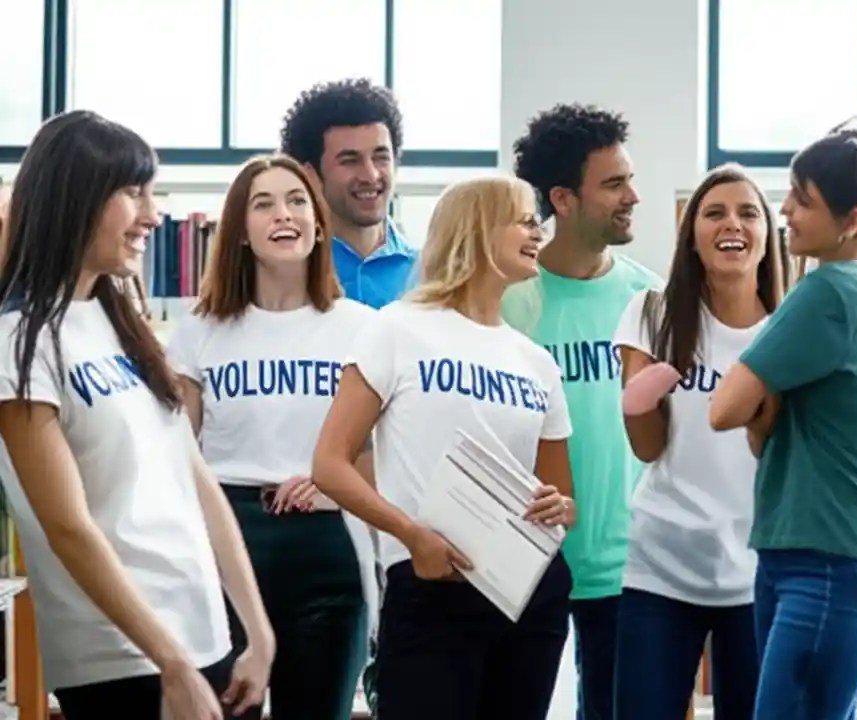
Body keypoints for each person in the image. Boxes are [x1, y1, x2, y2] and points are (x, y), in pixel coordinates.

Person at [0, 110, 275, 719]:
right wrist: (169, 661)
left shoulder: (119, 319)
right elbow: (67, 525)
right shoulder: (17, 343)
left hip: (206, 636)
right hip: (122, 657)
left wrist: (257, 631)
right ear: (76, 198)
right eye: (132, 193)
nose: (151, 214)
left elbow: (196, 483)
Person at [311, 175, 576, 720]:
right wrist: (411, 535)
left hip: (527, 591)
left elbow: (562, 498)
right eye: (525, 219)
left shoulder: (537, 363)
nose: (538, 232)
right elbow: (330, 466)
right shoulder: (398, 330)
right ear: (478, 229)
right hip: (430, 583)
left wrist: (561, 509)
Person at [165, 154, 378, 720]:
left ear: (318, 223)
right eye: (264, 204)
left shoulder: (361, 328)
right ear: (239, 230)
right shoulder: (198, 331)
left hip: (327, 550)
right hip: (229, 545)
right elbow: (175, 460)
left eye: (297, 201)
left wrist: (336, 486)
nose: (284, 215)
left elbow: (388, 455)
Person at [709, 127, 857, 719]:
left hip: (824, 568)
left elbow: (725, 408)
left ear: (851, 219)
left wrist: (761, 398)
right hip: (819, 562)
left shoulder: (828, 289)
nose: (785, 211)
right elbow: (756, 428)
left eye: (802, 199)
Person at [504, 102, 662, 720]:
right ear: (563, 200)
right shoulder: (511, 298)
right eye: (615, 183)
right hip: (521, 558)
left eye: (630, 179)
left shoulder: (648, 297)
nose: (633, 196)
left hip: (630, 566)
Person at [613, 164, 788, 719]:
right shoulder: (653, 312)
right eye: (714, 213)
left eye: (747, 213)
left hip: (757, 573)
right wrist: (638, 400)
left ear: (767, 236)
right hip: (661, 565)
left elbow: (778, 454)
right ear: (692, 234)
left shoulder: (788, 329)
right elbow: (647, 447)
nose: (730, 224)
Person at [280, 77, 416, 309]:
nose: (371, 175)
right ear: (309, 175)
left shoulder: (430, 275)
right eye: (350, 161)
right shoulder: (286, 273)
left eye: (381, 157)